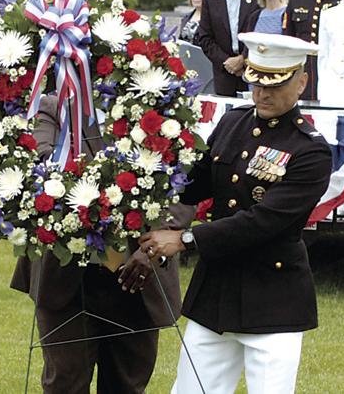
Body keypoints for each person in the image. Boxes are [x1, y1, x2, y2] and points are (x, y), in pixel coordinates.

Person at [139, 32, 331, 394]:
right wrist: (150, 165)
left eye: (275, 84)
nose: (262, 94)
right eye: (257, 82)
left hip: (272, 299)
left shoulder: (311, 151)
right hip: (216, 293)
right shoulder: (232, 123)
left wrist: (185, 238)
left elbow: (264, 221)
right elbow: (194, 184)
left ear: (302, 82)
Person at [10, 93, 192, 393]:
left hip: (137, 275)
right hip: (68, 278)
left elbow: (182, 183)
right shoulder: (56, 107)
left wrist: (155, 245)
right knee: (65, 383)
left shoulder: (158, 103)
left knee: (127, 385)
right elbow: (40, 165)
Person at [283, 0, 341, 100]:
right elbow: (288, 38)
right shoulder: (296, 2)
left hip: (332, 68)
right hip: (303, 68)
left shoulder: (341, 1)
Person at [197, 0, 259, 96]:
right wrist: (226, 61)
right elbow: (205, 37)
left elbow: (261, 31)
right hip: (224, 74)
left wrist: (243, 58)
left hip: (253, 69)